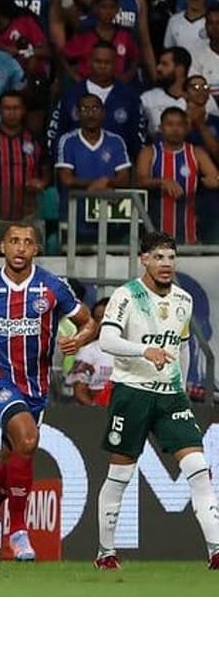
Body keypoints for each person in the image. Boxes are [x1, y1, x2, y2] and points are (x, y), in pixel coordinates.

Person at [0, 223, 95, 561]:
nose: (20, 248)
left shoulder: (53, 288)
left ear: (36, 250)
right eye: (14, 242)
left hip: (36, 387)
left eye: (27, 243)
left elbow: (88, 322)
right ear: (2, 247)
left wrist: (80, 339)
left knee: (14, 461)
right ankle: (18, 531)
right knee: (27, 438)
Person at [94, 231, 219, 571]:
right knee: (120, 474)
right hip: (132, 393)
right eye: (158, 257)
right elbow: (106, 340)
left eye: (171, 257)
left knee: (198, 469)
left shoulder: (183, 299)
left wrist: (182, 386)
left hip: (170, 397)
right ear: (143, 260)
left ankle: (216, 550)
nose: (166, 264)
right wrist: (143, 350)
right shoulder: (126, 295)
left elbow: (180, 348)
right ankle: (106, 552)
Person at [0, 90, 49, 243]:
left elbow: (47, 171)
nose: (12, 113)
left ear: (23, 110)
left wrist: (42, 183)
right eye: (7, 108)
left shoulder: (35, 138)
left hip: (27, 217)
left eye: (16, 108)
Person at [55, 93, 133, 241]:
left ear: (103, 112)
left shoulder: (116, 141)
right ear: (77, 113)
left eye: (95, 108)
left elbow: (124, 178)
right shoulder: (68, 141)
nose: (90, 113)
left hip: (109, 219)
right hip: (74, 218)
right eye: (85, 109)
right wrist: (99, 184)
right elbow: (66, 179)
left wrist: (105, 182)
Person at [135, 107, 219, 245]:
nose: (175, 129)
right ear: (161, 128)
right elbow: (140, 181)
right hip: (154, 235)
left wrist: (214, 181)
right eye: (170, 125)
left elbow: (215, 177)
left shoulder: (196, 153)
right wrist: (162, 182)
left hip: (190, 235)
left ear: (187, 128)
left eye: (179, 125)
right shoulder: (149, 152)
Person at [65, 298, 113, 407]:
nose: (103, 322)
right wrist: (96, 411)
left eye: (108, 317)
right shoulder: (87, 352)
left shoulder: (137, 350)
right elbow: (80, 391)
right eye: (98, 318)